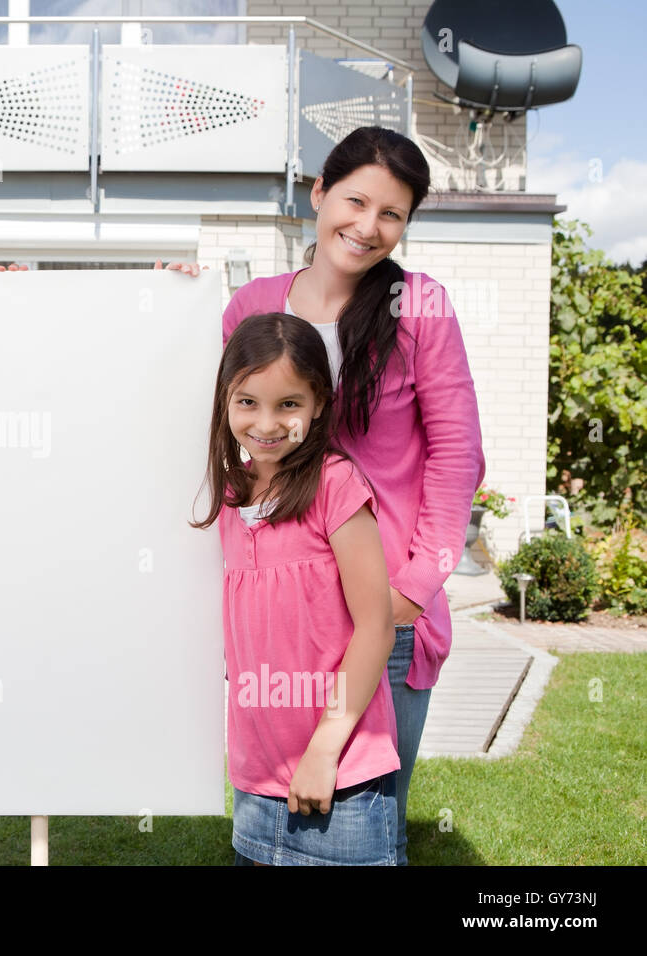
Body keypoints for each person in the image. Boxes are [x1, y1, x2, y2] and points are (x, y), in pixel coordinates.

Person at [217, 127, 486, 864]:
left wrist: (418, 584)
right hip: (288, 603)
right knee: (278, 798)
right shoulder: (251, 305)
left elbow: (459, 453)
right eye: (356, 201)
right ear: (318, 194)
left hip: (383, 607)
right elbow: (232, 423)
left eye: (392, 214)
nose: (368, 227)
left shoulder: (419, 306)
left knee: (369, 824)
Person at [193, 311, 400, 865]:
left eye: (289, 404)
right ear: (224, 402)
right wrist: (172, 286)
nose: (267, 422)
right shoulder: (230, 496)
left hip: (342, 776)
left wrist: (324, 751)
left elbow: (377, 628)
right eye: (247, 402)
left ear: (319, 406)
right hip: (257, 780)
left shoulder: (336, 485)